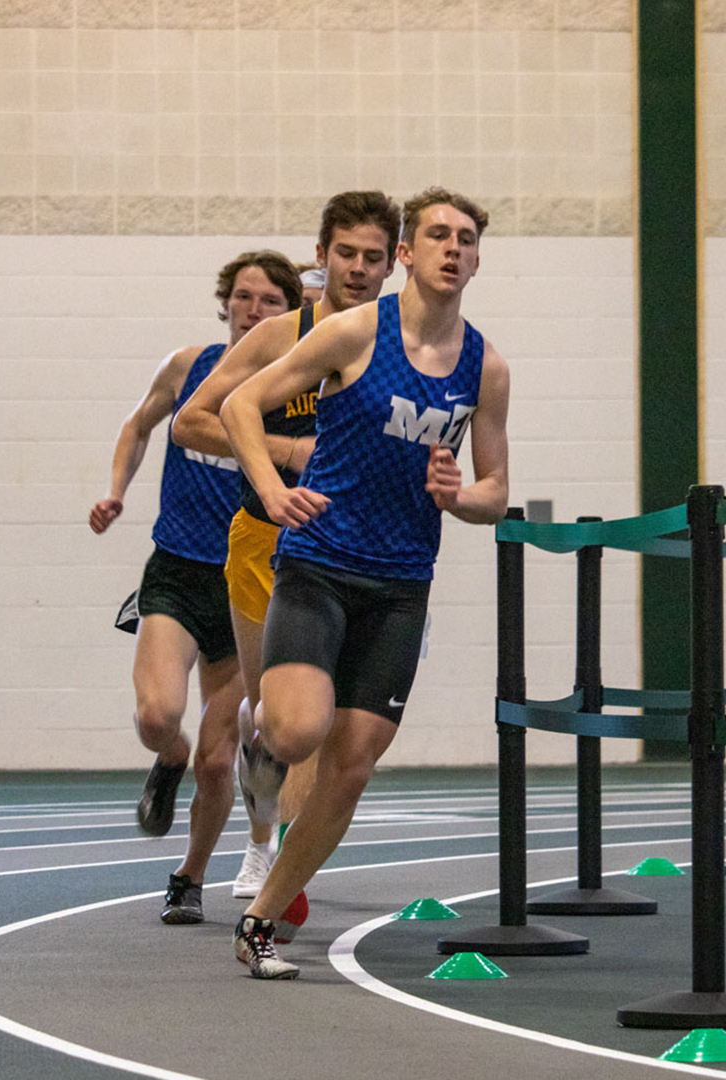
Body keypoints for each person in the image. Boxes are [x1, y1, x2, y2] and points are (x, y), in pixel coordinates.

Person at [218, 188, 511, 978]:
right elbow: (242, 402)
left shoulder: (486, 366)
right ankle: (260, 733)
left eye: (467, 238)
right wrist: (273, 489)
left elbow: (496, 494)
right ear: (407, 255)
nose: (453, 248)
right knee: (298, 732)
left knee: (351, 765)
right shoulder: (355, 331)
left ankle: (260, 918)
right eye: (438, 236)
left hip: (401, 584)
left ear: (477, 258)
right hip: (319, 563)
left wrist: (459, 497)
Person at [171, 192, 401, 919]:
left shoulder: (400, 346)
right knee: (272, 716)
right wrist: (289, 450)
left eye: (374, 258)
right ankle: (263, 823)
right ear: (321, 255)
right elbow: (193, 422)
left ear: (395, 263)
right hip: (265, 543)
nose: (359, 270)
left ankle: (277, 863)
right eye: (347, 255)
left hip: (360, 550)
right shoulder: (277, 338)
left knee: (322, 726)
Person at [88, 250, 301, 925]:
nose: (254, 309)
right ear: (225, 301)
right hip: (178, 571)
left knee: (220, 758)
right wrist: (115, 491)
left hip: (246, 578)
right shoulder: (189, 367)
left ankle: (190, 875)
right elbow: (139, 423)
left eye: (270, 300)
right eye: (243, 296)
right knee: (157, 717)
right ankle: (166, 759)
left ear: (289, 310)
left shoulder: (294, 385)